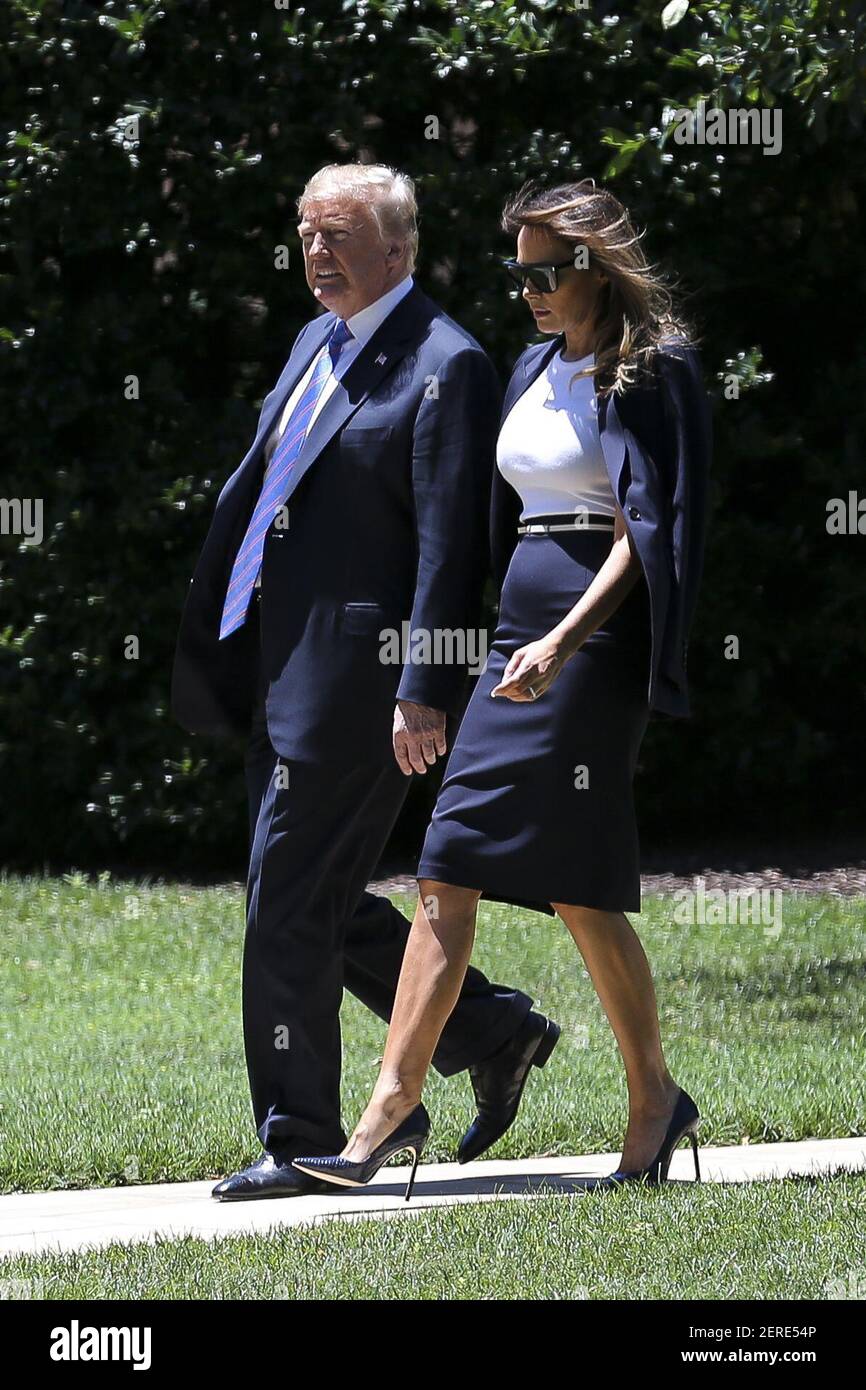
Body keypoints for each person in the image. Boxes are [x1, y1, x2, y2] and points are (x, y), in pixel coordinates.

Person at [293, 178, 712, 1200]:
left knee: (575, 884)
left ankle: (651, 1099)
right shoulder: (531, 362)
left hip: (589, 646)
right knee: (445, 864)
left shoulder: (651, 370)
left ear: (593, 265)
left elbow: (642, 532)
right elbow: (486, 518)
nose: (528, 289)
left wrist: (564, 643)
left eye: (546, 270)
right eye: (516, 271)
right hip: (514, 638)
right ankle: (386, 1111)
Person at [170, 163, 558, 1201]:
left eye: (338, 234)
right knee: (304, 896)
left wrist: (423, 684)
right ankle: (488, 1026)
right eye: (304, 233)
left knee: (288, 901)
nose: (316, 251)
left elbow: (449, 543)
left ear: (398, 249)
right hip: (280, 666)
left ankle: (298, 1132)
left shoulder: (446, 361)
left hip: (366, 681)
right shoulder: (312, 343)